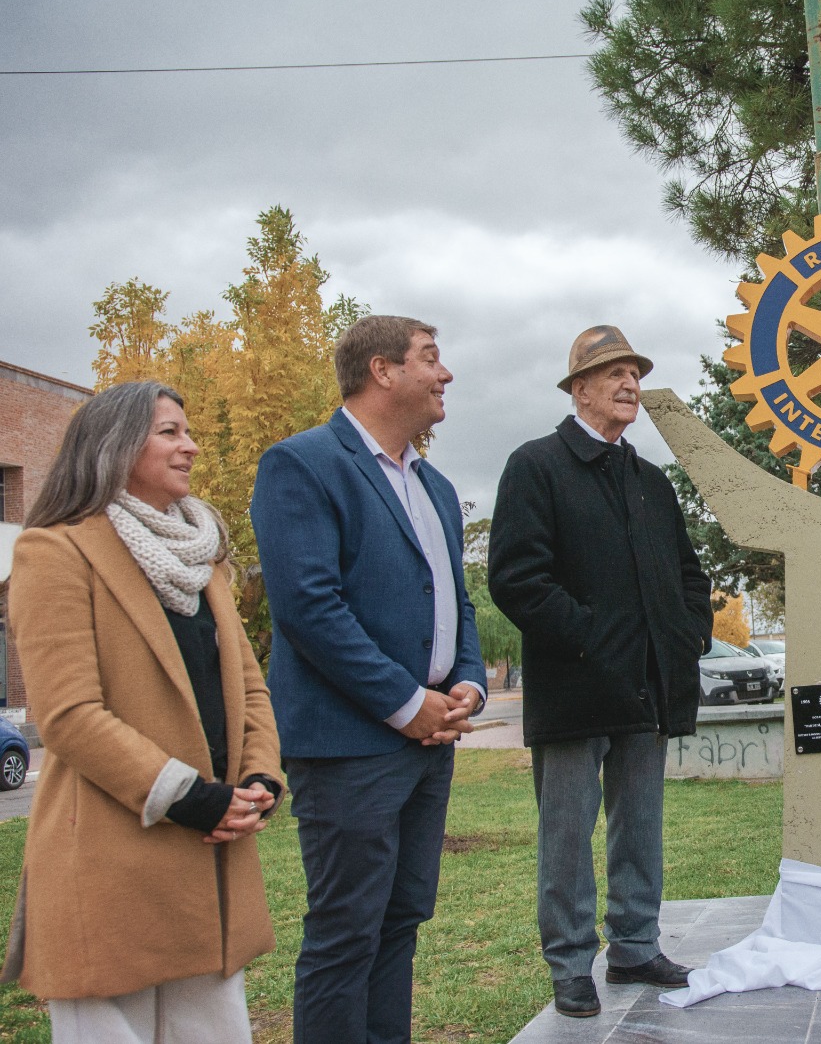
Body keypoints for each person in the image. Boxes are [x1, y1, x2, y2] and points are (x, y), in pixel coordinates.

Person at [2, 381, 281, 1042]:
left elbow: (250, 688)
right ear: (115, 446)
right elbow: (68, 715)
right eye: (170, 432)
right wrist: (188, 797)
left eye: (187, 431)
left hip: (211, 861)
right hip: (109, 866)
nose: (190, 445)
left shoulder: (203, 556)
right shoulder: (54, 551)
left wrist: (261, 779)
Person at [251, 315, 486, 1044]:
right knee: (345, 932)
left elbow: (457, 601)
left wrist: (468, 682)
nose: (445, 375)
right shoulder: (302, 464)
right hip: (349, 748)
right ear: (382, 371)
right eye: (430, 360)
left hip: (430, 743)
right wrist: (403, 702)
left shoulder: (437, 487)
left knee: (402, 920)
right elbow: (308, 607)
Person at [488, 325, 712, 1019]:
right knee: (567, 832)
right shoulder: (537, 465)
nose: (628, 384)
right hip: (575, 690)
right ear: (579, 389)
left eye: (634, 373)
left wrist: (687, 636)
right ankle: (569, 962)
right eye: (612, 373)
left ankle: (636, 946)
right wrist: (591, 639)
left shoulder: (650, 481)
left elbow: (687, 574)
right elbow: (517, 579)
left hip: (648, 688)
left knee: (640, 825)